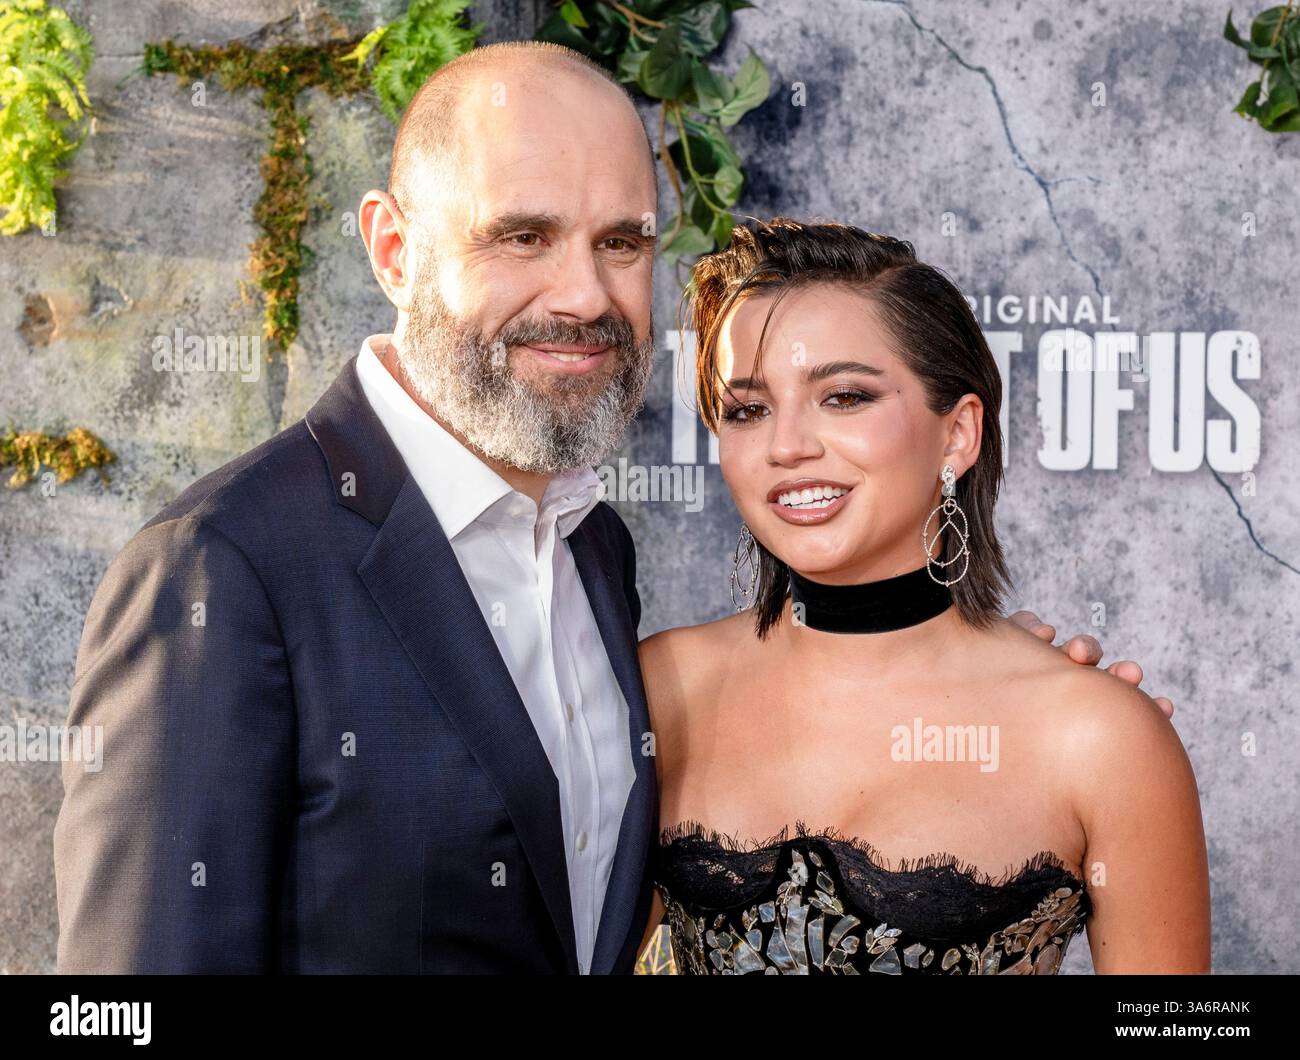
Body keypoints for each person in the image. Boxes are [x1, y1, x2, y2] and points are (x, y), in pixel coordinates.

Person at [53, 42, 1173, 975]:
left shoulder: (591, 550)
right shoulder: (218, 566)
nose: (584, 295)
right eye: (522, 235)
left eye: (622, 242)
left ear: (956, 431)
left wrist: (1027, 701)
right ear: (395, 249)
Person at [638, 218, 1210, 975]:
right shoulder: (659, 688)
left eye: (843, 396)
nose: (786, 446)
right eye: (747, 409)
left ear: (958, 435)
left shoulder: (1100, 736)